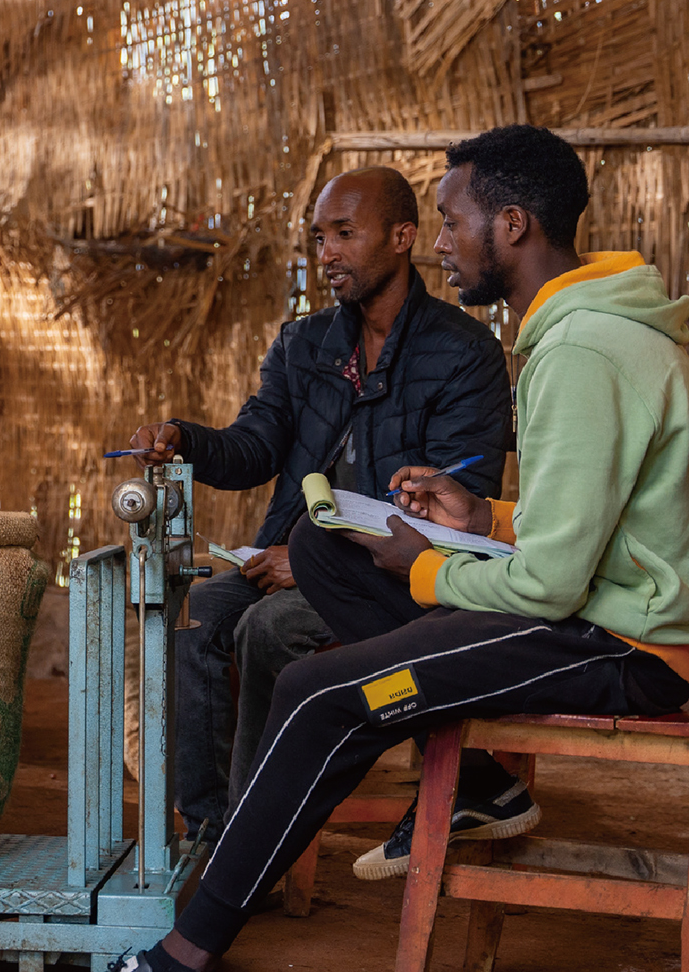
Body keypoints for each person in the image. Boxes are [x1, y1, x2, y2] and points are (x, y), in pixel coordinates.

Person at [109, 125, 689, 972]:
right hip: (597, 610)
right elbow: (586, 521)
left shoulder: (580, 350)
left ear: (511, 224)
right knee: (324, 549)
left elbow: (550, 584)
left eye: (450, 220)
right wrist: (482, 519)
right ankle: (475, 777)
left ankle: (185, 949)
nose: (441, 243)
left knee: (316, 691)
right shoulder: (587, 331)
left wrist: (430, 567)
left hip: (621, 644)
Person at [123, 166, 509, 844]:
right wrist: (185, 439)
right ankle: (214, 830)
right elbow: (254, 446)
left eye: (344, 233)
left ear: (401, 237)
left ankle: (256, 837)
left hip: (398, 574)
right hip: (285, 557)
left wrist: (312, 559)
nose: (326, 252)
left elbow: (453, 504)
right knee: (195, 616)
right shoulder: (304, 345)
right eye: (319, 237)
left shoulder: (464, 352)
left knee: (267, 628)